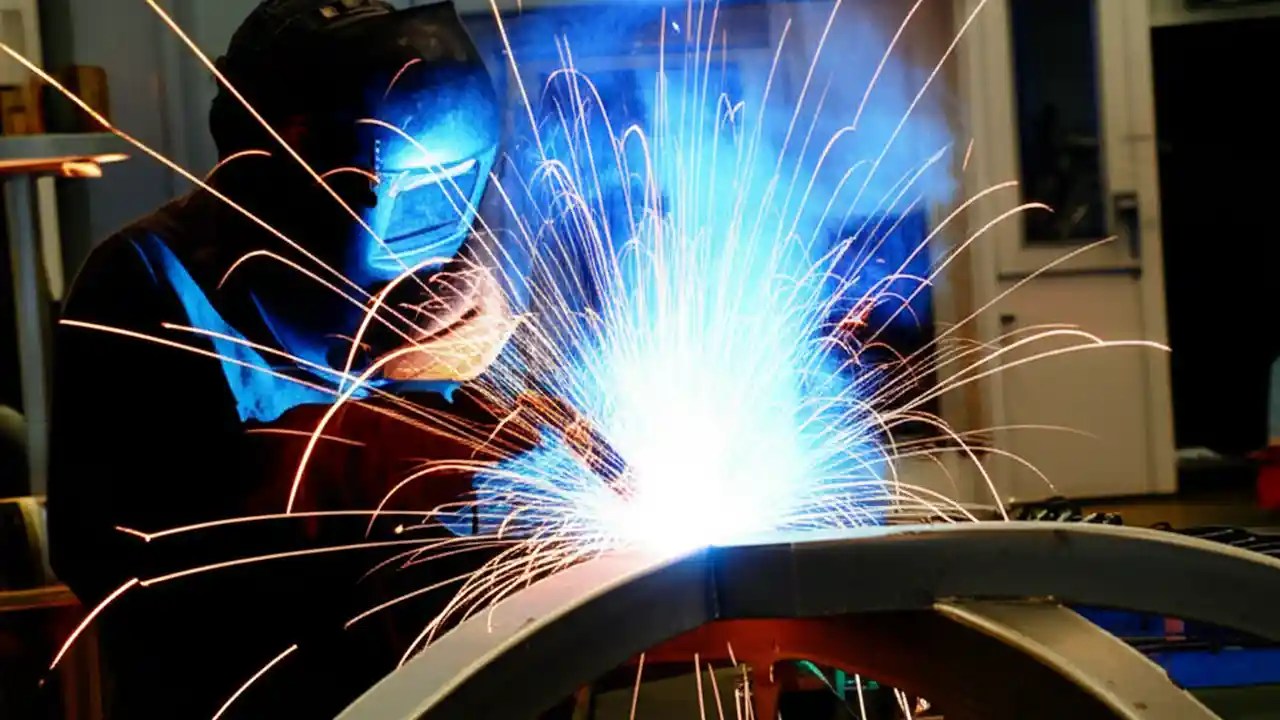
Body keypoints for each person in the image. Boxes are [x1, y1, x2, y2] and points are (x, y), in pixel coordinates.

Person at [48, 1, 521, 716]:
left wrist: (497, 362)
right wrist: (344, 459)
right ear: (280, 157)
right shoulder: (145, 284)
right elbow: (108, 557)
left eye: (451, 189)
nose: (428, 230)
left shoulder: (443, 265)